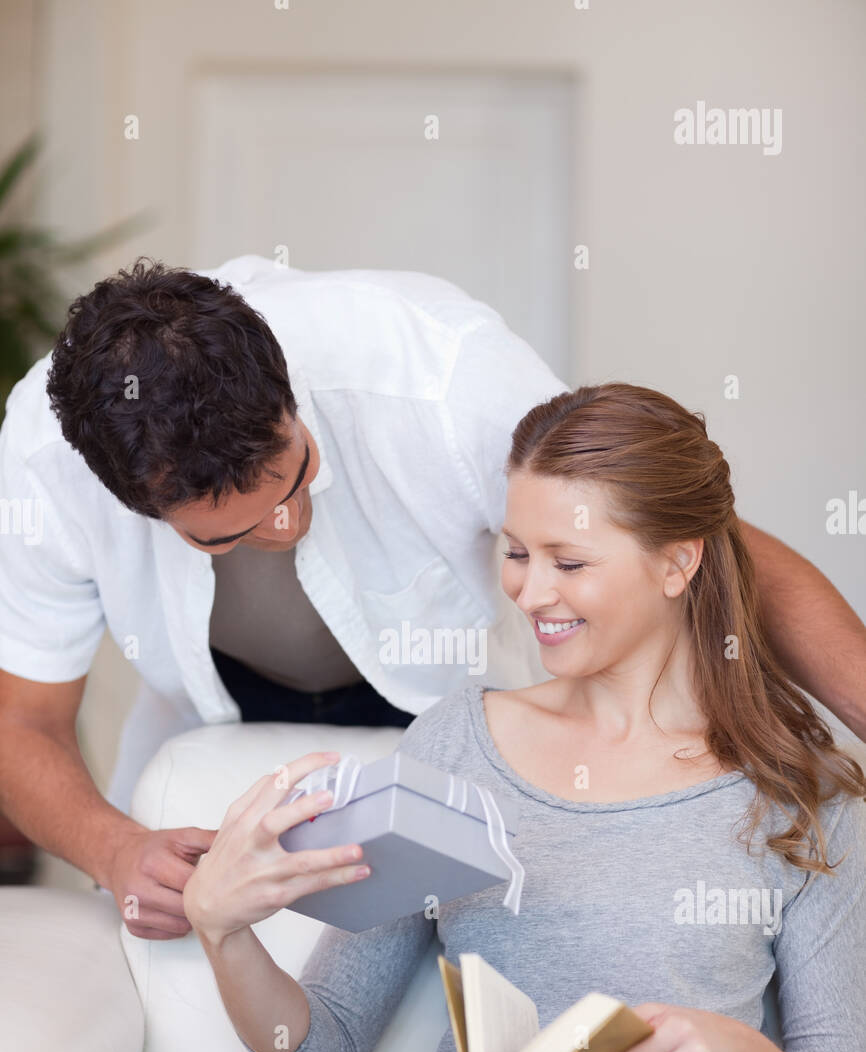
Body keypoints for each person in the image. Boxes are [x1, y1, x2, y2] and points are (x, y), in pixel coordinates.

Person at [73, 382, 866, 1052]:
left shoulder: (801, 790)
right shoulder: (454, 744)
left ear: (676, 562)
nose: (532, 591)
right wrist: (225, 929)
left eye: (570, 562)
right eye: (518, 553)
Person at [1, 257, 865, 941]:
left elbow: (711, 549)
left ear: (287, 392)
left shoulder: (442, 377)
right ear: (133, 503)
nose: (289, 523)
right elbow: (22, 721)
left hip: (439, 708)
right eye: (230, 532)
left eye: (293, 477)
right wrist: (116, 851)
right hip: (209, 727)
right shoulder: (47, 465)